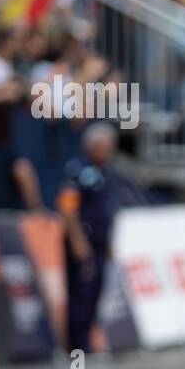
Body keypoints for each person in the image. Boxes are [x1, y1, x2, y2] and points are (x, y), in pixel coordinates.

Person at [56, 122, 120, 356]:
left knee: (94, 293)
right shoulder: (79, 171)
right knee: (80, 294)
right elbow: (67, 206)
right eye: (105, 145)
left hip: (101, 243)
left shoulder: (107, 173)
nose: (109, 149)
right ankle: (76, 345)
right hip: (84, 241)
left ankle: (88, 340)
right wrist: (77, 240)